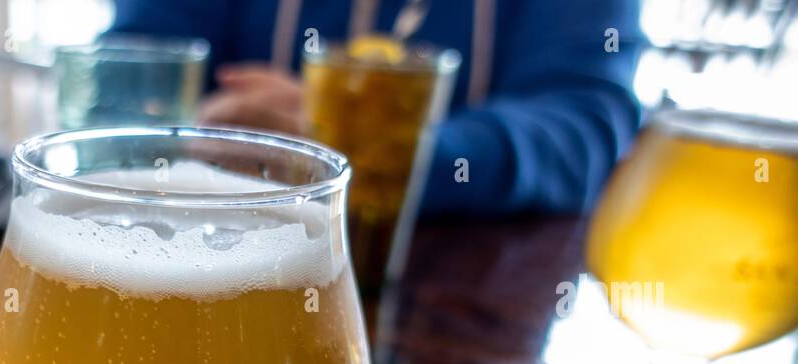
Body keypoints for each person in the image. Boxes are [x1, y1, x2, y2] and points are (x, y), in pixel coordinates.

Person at [111, 0, 645, 215]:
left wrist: (384, 150)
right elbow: (130, 69)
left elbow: (583, 124)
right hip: (215, 240)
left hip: (457, 315)